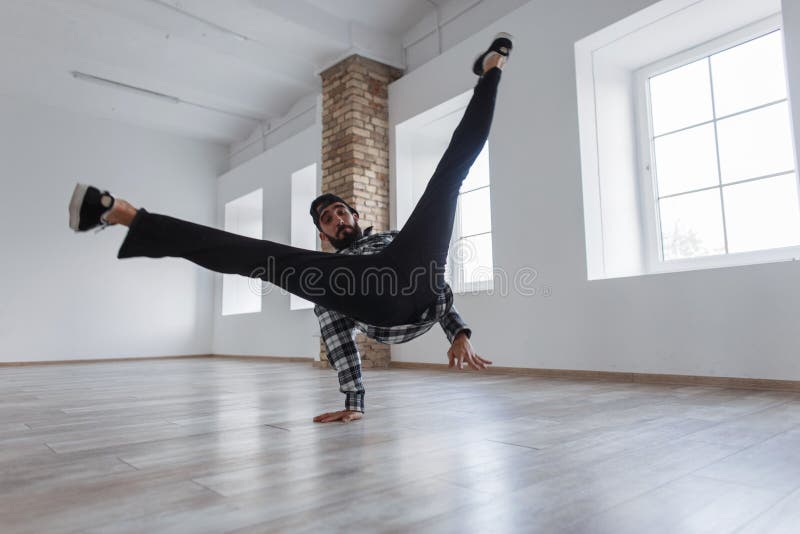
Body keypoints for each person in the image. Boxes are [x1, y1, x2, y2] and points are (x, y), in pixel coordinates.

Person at [68, 33, 512, 423]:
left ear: (355, 217)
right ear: (324, 234)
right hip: (373, 299)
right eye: (328, 219)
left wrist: (458, 332)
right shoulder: (330, 279)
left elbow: (434, 282)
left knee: (448, 178)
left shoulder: (390, 238)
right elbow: (339, 338)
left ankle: (491, 70)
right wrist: (355, 401)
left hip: (415, 277)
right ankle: (119, 212)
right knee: (260, 257)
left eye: (341, 212)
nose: (337, 219)